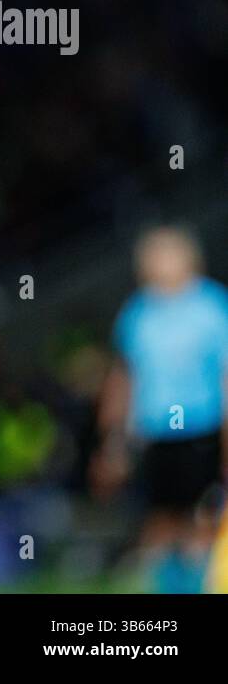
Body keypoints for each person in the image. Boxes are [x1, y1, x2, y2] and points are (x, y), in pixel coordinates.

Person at [92, 226, 228, 592]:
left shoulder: (213, 306)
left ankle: (201, 583)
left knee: (202, 517)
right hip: (154, 432)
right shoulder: (139, 313)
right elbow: (124, 377)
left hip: (203, 428)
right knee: (159, 519)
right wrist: (113, 441)